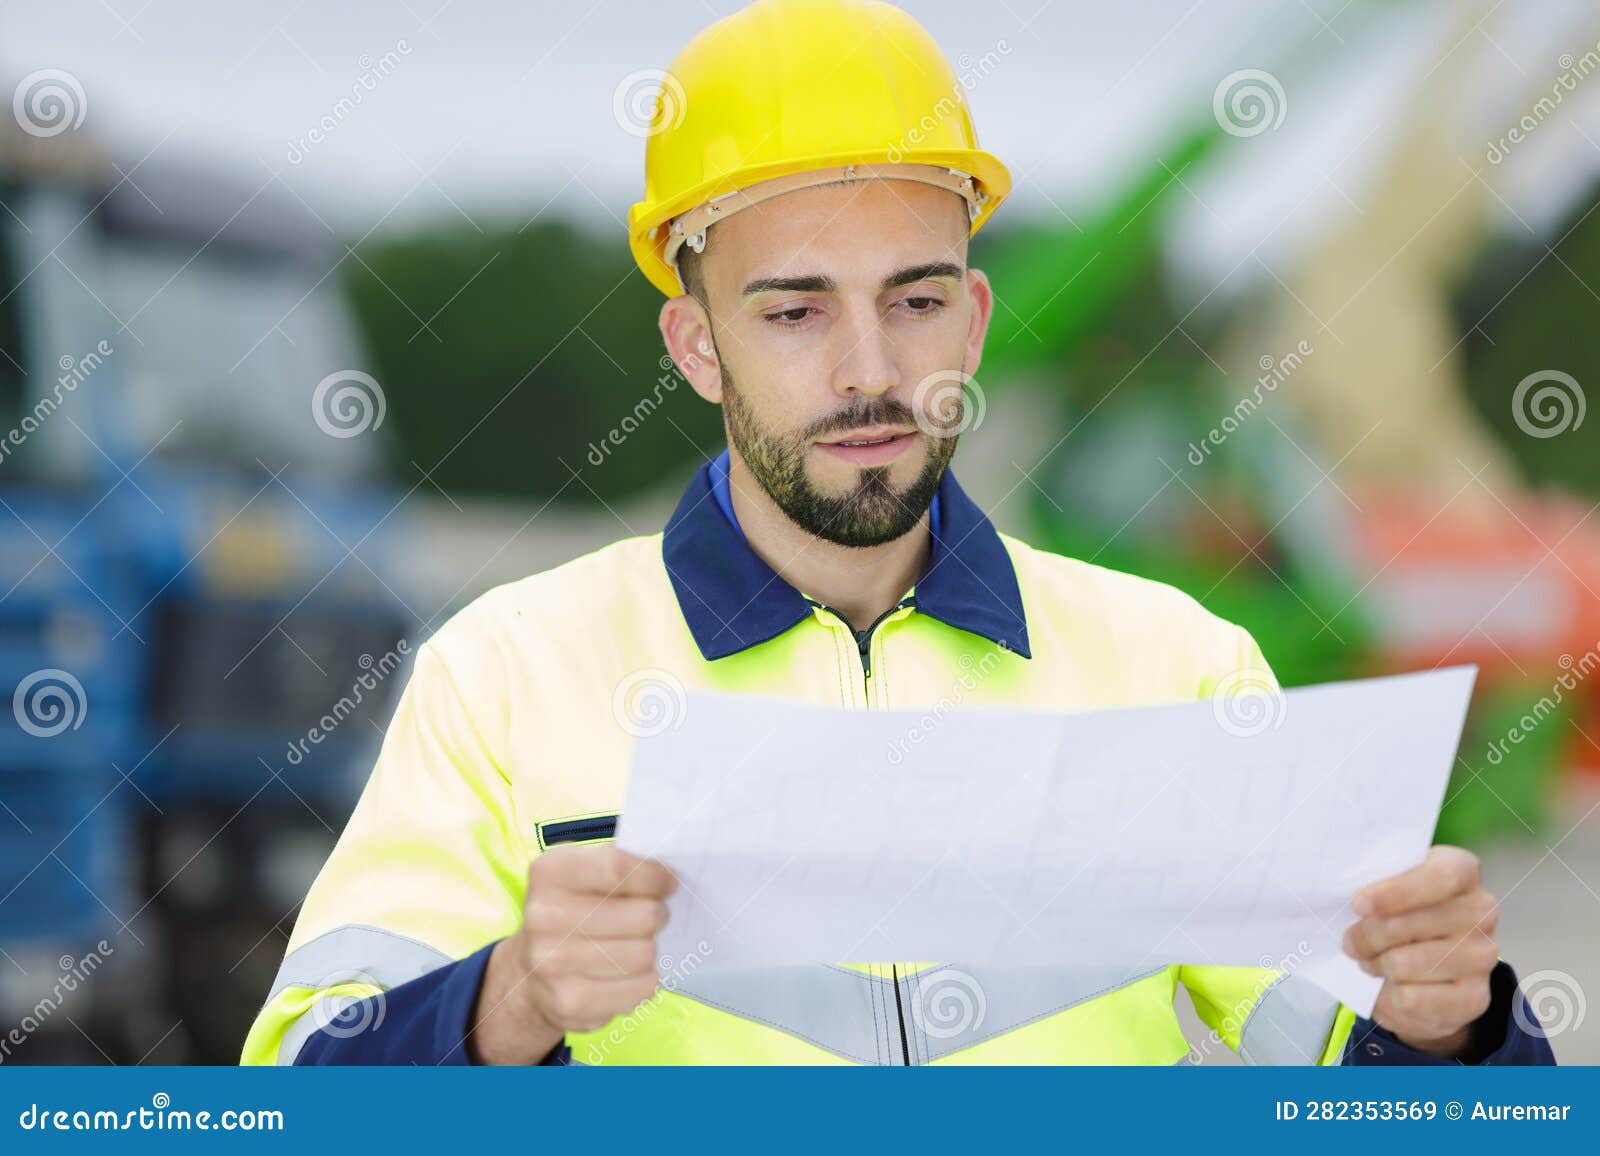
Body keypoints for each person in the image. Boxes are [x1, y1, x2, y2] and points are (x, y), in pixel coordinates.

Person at [243, 0, 1554, 1066]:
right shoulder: (507, 678)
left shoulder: (1176, 670)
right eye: (795, 312)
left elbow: (1384, 1077)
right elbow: (311, 1088)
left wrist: (1453, 1025)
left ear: (976, 323)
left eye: (913, 300)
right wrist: (510, 999)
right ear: (697, 345)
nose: (870, 370)